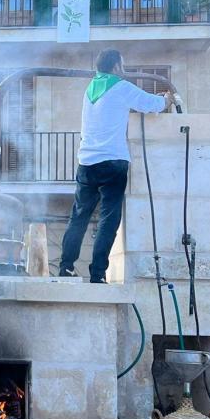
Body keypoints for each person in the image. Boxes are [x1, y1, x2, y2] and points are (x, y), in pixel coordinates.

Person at [59, 49, 176, 283]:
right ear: (115, 67)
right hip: (113, 162)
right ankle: (98, 273)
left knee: (78, 217)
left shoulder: (90, 89)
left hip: (86, 162)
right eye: (122, 65)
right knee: (108, 219)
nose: (124, 69)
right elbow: (150, 104)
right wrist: (167, 99)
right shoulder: (121, 87)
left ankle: (65, 267)